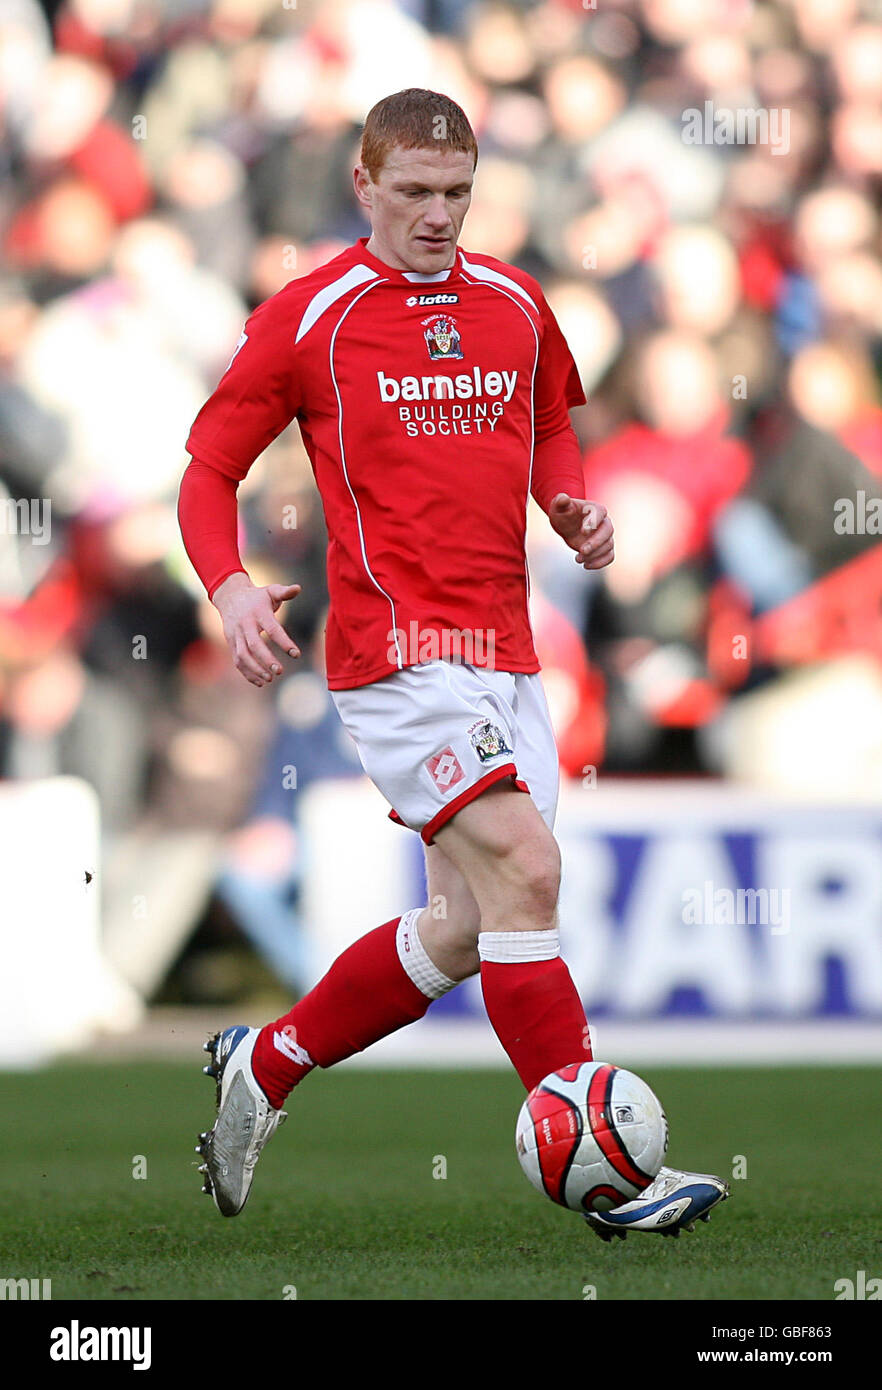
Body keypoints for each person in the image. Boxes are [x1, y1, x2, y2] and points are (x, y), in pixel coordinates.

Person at [178, 88, 727, 1241]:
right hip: (396, 656)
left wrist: (565, 503)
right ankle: (610, 1179)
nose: (438, 214)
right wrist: (228, 586)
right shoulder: (312, 314)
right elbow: (208, 471)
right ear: (365, 185)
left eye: (457, 192)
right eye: (415, 192)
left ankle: (264, 1067)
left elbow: (550, 423)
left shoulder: (518, 304)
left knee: (470, 925)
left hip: (507, 657)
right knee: (527, 868)